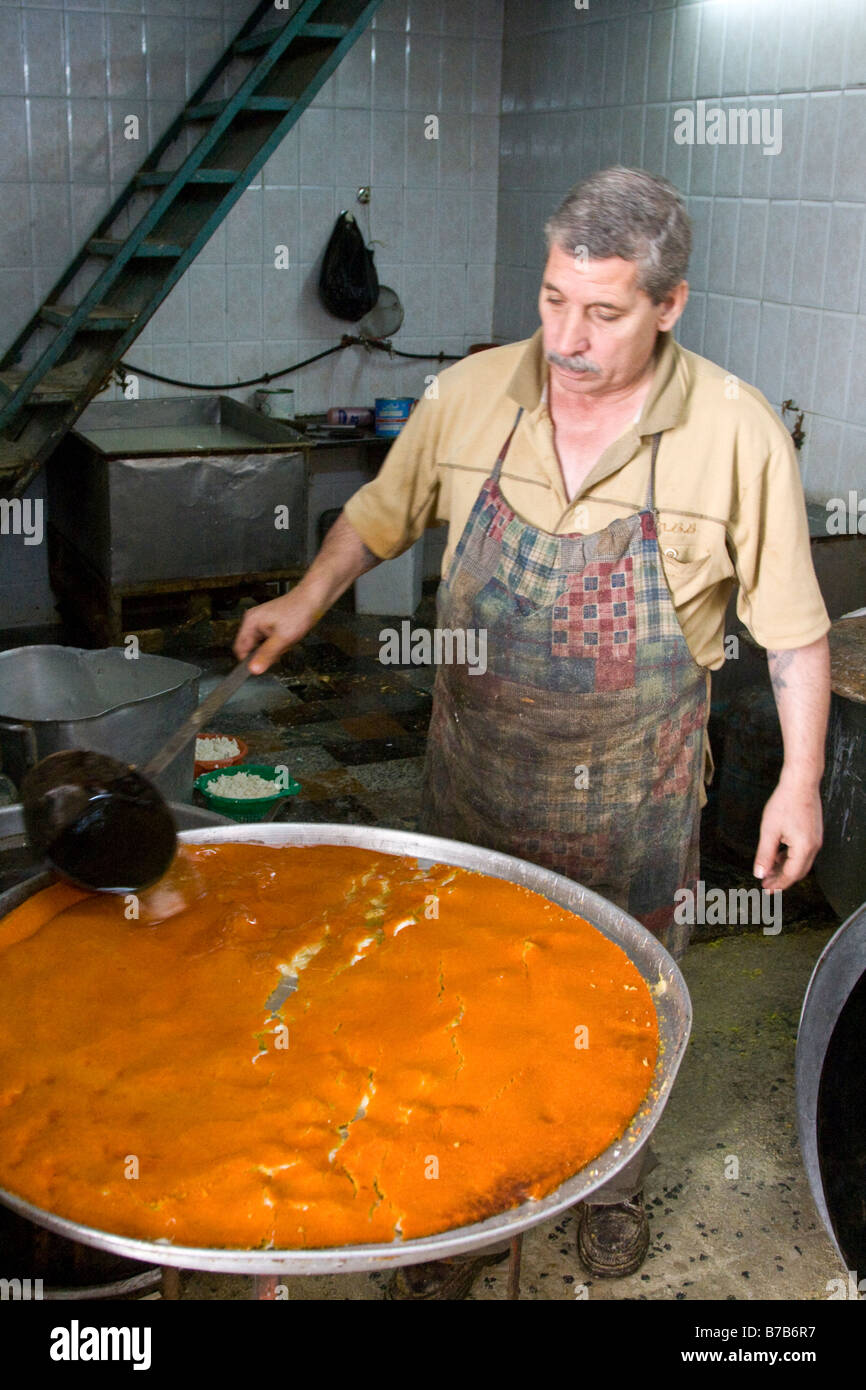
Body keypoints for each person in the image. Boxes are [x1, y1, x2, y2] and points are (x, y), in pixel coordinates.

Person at [234, 167, 831, 1297]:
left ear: (668, 304)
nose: (565, 335)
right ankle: (451, 1215)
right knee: (450, 998)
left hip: (633, 801)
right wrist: (305, 600)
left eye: (602, 311)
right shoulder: (468, 395)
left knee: (624, 1003)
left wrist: (796, 782)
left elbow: (794, 637)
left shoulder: (735, 430)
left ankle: (611, 1188)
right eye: (553, 298)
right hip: (473, 788)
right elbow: (377, 516)